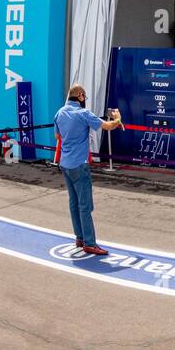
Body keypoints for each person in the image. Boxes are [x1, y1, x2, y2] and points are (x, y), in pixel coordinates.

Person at [53, 84, 123, 256]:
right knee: (85, 205)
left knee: (73, 203)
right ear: (81, 96)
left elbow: (57, 136)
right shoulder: (83, 114)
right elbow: (108, 126)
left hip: (65, 163)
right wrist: (117, 118)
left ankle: (80, 238)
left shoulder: (60, 113)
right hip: (79, 164)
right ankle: (90, 243)